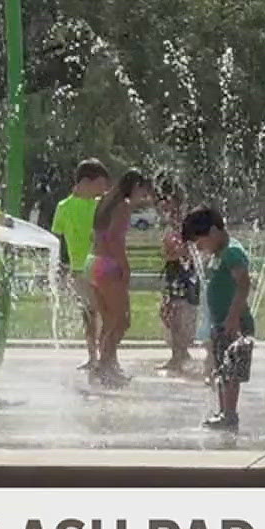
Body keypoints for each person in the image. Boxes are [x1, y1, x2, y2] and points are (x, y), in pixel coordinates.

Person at [183, 207, 252, 431]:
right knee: (222, 369)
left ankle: (230, 414)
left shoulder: (232, 252)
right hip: (221, 322)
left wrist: (233, 317)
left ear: (213, 231)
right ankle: (223, 411)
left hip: (234, 323)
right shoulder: (219, 254)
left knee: (231, 371)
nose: (199, 248)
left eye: (200, 242)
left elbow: (244, 284)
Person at [89, 169, 153, 387]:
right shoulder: (123, 206)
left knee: (109, 320)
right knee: (122, 321)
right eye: (143, 191)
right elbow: (115, 239)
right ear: (136, 186)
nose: (143, 196)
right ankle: (104, 366)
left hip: (95, 262)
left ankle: (108, 364)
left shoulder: (106, 202)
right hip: (110, 266)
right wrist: (125, 267)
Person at [50, 159, 109, 371]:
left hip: (103, 267)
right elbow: (58, 239)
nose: (104, 189)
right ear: (84, 183)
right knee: (89, 315)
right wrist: (61, 267)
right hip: (79, 270)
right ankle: (93, 356)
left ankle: (107, 356)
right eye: (100, 184)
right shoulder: (64, 207)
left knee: (106, 313)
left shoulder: (102, 205)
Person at [155, 185, 199, 375]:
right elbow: (168, 251)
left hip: (183, 275)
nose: (163, 205)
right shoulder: (171, 224)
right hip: (173, 273)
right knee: (168, 314)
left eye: (167, 201)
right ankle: (180, 353)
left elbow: (188, 251)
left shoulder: (185, 224)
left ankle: (178, 356)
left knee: (177, 315)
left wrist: (172, 253)